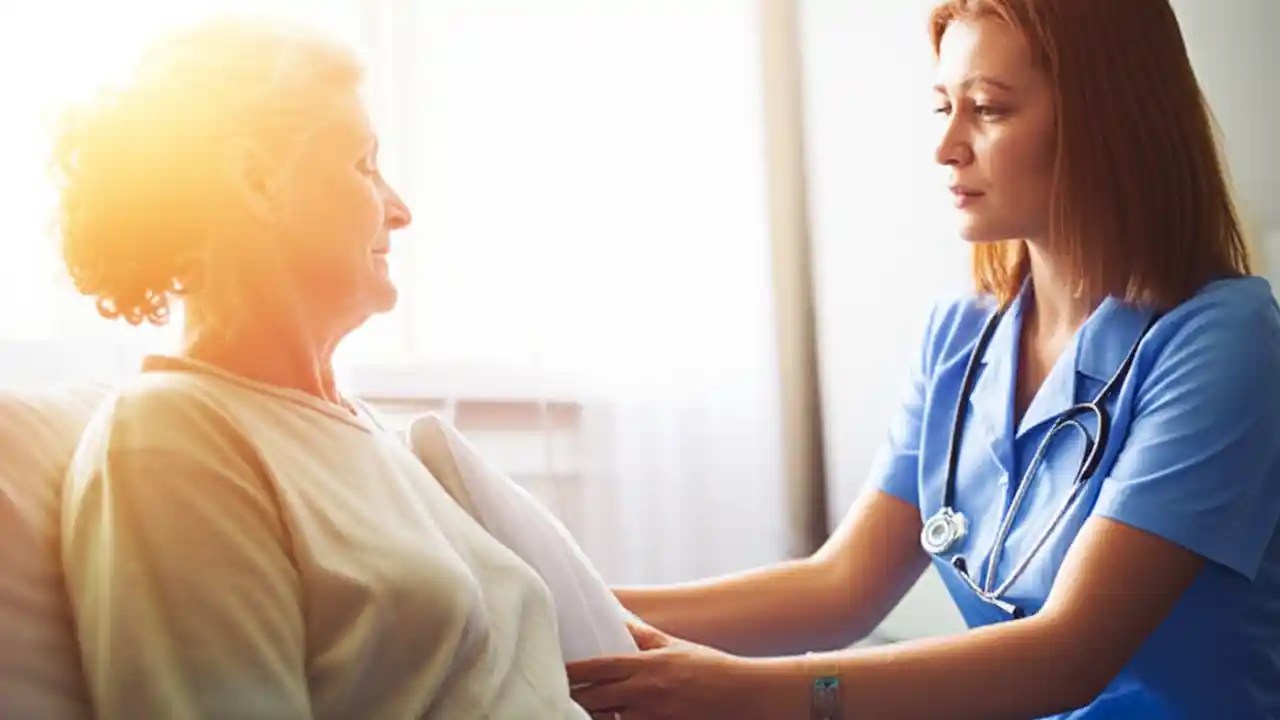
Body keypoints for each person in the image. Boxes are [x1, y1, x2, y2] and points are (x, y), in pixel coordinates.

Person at [567, 0, 1280, 717]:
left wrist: (743, 691)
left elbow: (1066, 658)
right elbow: (839, 587)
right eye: (943, 106)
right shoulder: (962, 337)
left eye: (989, 110)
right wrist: (559, 601)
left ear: (1108, 119)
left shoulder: (1222, 340)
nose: (947, 146)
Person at [55, 17, 591, 719]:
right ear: (255, 179)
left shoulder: (352, 424)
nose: (399, 210)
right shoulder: (168, 439)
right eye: (364, 165)